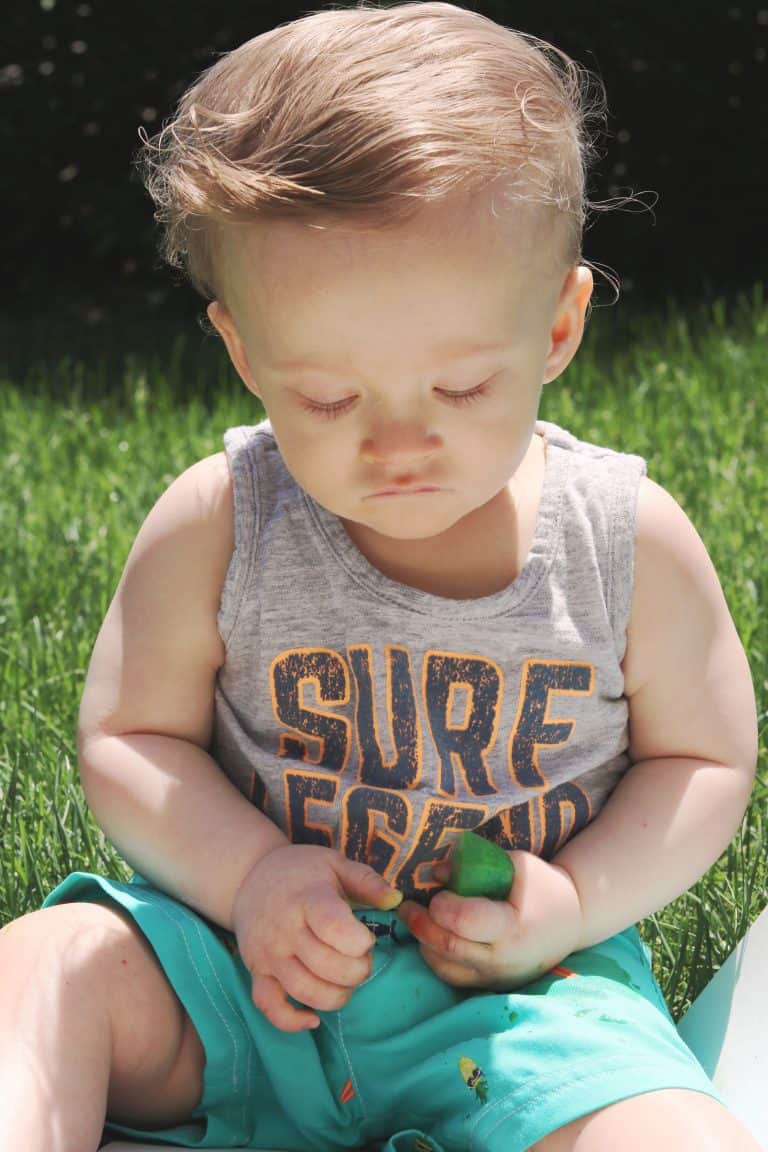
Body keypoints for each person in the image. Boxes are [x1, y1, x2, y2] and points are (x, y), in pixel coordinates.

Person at [0, 3, 759, 1150]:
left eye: (461, 389)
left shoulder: (623, 539)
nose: (398, 445)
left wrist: (575, 903)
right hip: (242, 976)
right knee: (46, 964)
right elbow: (127, 739)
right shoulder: (221, 521)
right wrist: (252, 877)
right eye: (327, 398)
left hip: (525, 1005)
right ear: (246, 352)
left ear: (557, 327)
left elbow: (705, 760)